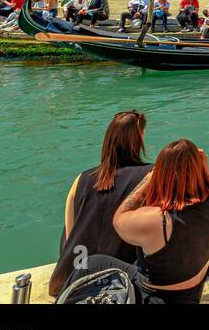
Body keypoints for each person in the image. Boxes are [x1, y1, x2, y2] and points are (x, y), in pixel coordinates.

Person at [62, 139, 209, 304]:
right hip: (192, 294)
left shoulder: (159, 221)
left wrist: (146, 183)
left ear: (163, 173)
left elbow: (119, 219)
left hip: (154, 298)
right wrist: (206, 168)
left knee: (90, 264)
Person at [48, 110, 153, 297]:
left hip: (70, 280)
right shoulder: (149, 176)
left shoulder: (81, 179)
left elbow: (70, 236)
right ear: (140, 138)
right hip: (121, 280)